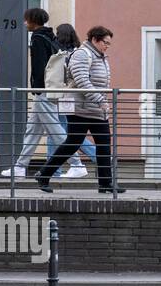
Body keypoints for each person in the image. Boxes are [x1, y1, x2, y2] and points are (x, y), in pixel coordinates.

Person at [32, 25, 124, 194]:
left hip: (94, 109)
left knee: (103, 144)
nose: (107, 46)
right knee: (72, 143)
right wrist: (100, 101)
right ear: (95, 39)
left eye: (109, 44)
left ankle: (106, 183)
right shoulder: (82, 54)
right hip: (80, 109)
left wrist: (99, 103)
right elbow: (82, 81)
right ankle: (44, 174)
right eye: (105, 42)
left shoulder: (100, 56)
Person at [0, 8, 89, 180]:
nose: (25, 23)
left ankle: (77, 164)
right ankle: (20, 166)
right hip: (49, 90)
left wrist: (38, 89)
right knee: (32, 130)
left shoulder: (38, 38)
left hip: (43, 92)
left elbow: (40, 67)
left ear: (33, 20)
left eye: (27, 20)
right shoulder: (50, 37)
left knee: (56, 130)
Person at [54, 23, 98, 169]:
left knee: (58, 131)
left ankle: (57, 170)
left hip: (63, 95)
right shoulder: (78, 51)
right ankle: (98, 157)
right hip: (74, 97)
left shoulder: (58, 52)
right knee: (61, 130)